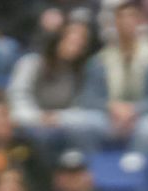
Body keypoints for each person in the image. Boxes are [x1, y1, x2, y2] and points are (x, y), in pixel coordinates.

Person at [85, 0, 148, 152]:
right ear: (114, 22)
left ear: (141, 22)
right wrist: (112, 107)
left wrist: (133, 110)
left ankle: (135, 168)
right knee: (82, 123)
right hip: (109, 115)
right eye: (121, 17)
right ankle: (92, 168)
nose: (126, 22)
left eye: (132, 17)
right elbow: (88, 98)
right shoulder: (99, 60)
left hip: (144, 116)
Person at [9, 12, 108, 154]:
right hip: (32, 123)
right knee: (42, 135)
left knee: (91, 125)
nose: (77, 42)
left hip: (62, 123)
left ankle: (86, 169)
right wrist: (38, 118)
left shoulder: (79, 71)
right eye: (72, 37)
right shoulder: (31, 63)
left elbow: (79, 108)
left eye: (82, 40)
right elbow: (17, 100)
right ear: (59, 37)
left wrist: (59, 118)